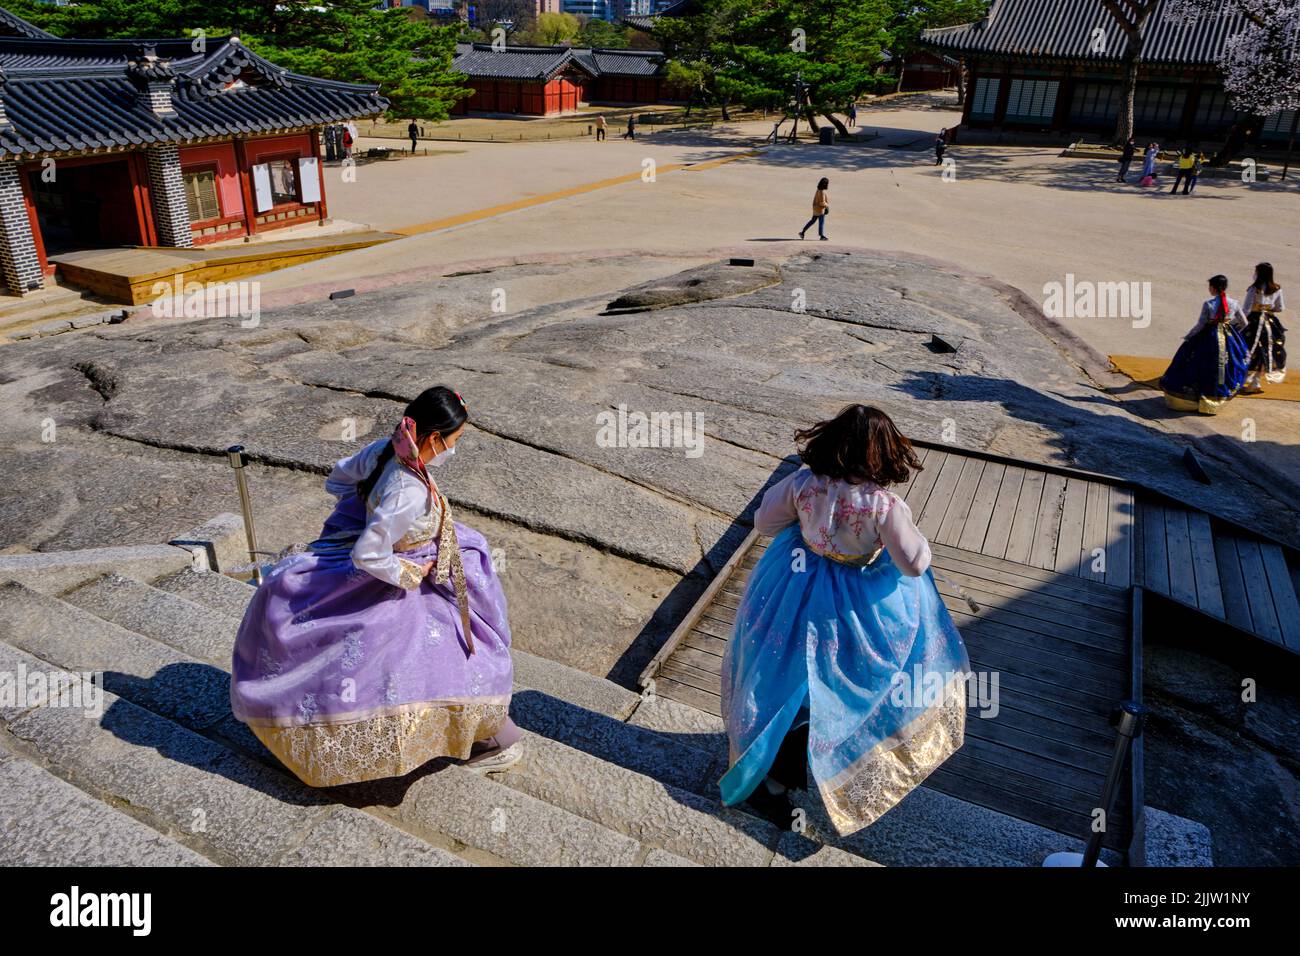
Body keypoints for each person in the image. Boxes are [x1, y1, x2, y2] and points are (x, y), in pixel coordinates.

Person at [230, 386, 521, 787]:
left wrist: (368, 505)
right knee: (450, 652)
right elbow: (369, 554)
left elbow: (337, 479)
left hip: (408, 552)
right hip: (408, 568)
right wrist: (407, 572)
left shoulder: (384, 450)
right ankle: (496, 739)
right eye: (456, 440)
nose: (456, 447)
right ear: (435, 438)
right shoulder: (410, 490)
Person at [719, 405, 969, 835]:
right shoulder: (884, 505)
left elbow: (763, 523)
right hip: (850, 604)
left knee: (780, 673)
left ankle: (765, 757)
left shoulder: (803, 482)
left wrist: (809, 527)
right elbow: (912, 564)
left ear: (829, 441)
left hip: (792, 584)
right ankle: (797, 769)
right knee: (832, 684)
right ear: (886, 454)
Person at [1159, 275, 1250, 414]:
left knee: (1196, 364)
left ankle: (1191, 400)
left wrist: (1189, 336)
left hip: (1209, 338)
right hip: (1228, 338)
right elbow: (1244, 323)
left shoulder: (1209, 304)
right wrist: (1233, 333)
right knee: (1225, 368)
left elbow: (1201, 324)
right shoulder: (1234, 303)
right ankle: (1215, 402)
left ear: (1213, 288)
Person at [1241, 262, 1287, 392]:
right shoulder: (1277, 288)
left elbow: (1246, 309)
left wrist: (1236, 323)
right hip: (1270, 323)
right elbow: (1280, 308)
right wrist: (1268, 307)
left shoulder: (1254, 289)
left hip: (1254, 322)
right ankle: (1256, 382)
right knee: (1267, 350)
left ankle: (1247, 380)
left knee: (1250, 349)